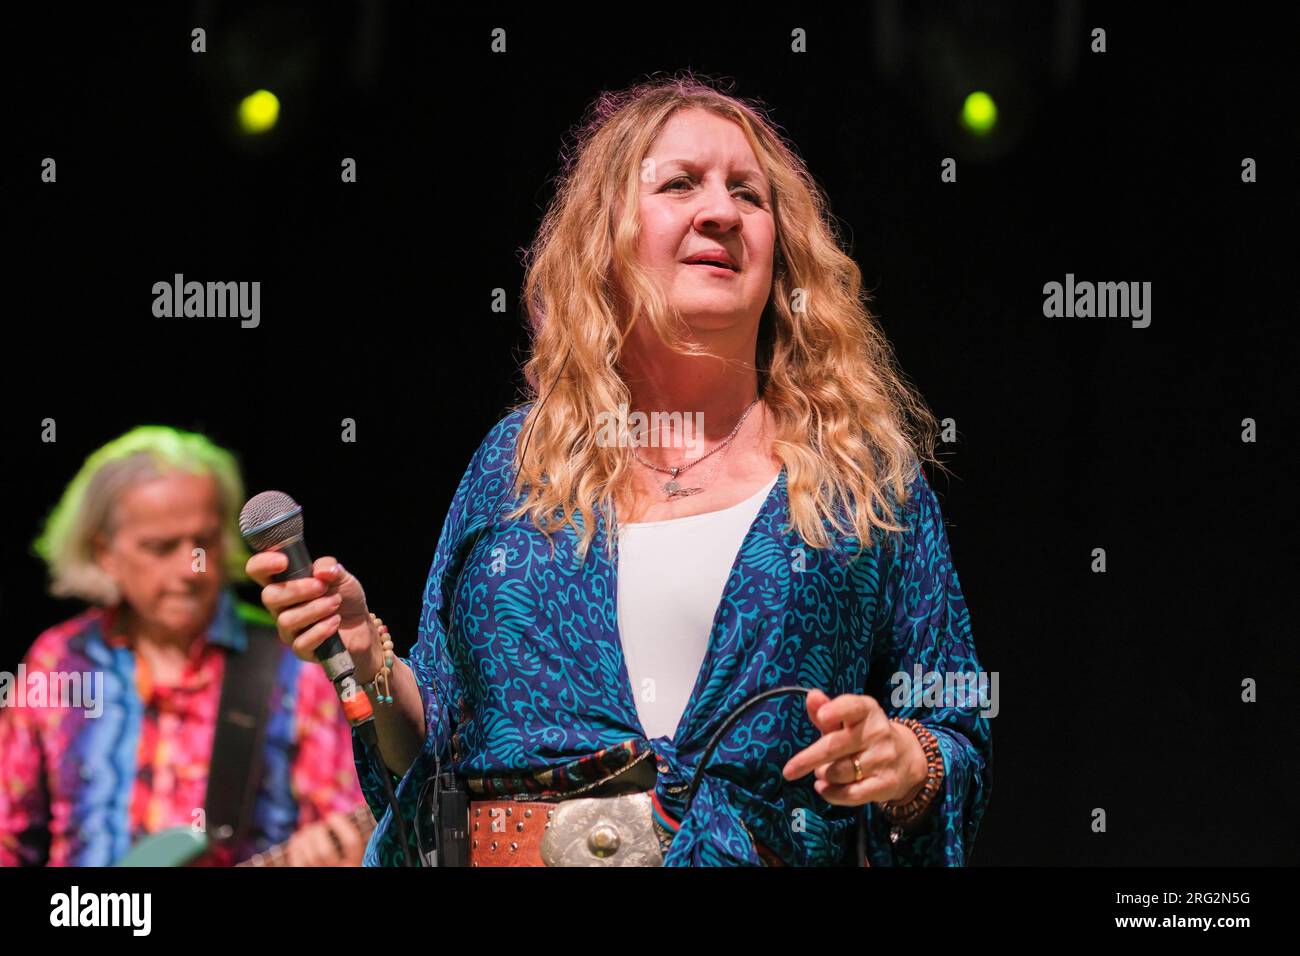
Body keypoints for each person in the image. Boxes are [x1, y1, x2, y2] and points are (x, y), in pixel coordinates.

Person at [248, 74, 992, 866]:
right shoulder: (516, 468)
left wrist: (907, 761)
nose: (721, 211)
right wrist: (370, 657)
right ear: (605, 238)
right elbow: (433, 758)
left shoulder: (860, 477)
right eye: (680, 184)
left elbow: (955, 732)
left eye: (750, 194)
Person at [0, 426, 367, 866]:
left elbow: (344, 824)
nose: (190, 569)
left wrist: (343, 854)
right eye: (160, 547)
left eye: (204, 542)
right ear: (105, 552)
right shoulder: (58, 662)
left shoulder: (293, 661)